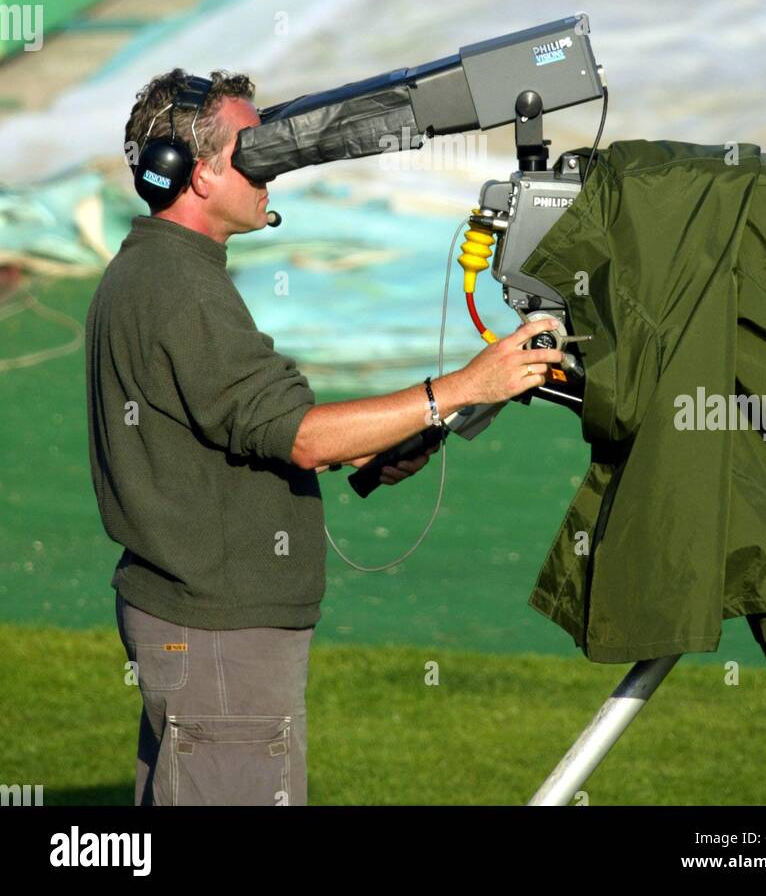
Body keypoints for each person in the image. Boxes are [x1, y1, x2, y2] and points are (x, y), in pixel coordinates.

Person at [85, 67, 564, 807]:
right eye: (255, 150)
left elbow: (242, 425)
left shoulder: (155, 271)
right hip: (221, 637)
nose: (273, 166)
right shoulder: (182, 291)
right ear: (197, 173)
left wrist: (400, 432)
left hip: (190, 622)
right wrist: (466, 387)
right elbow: (301, 437)